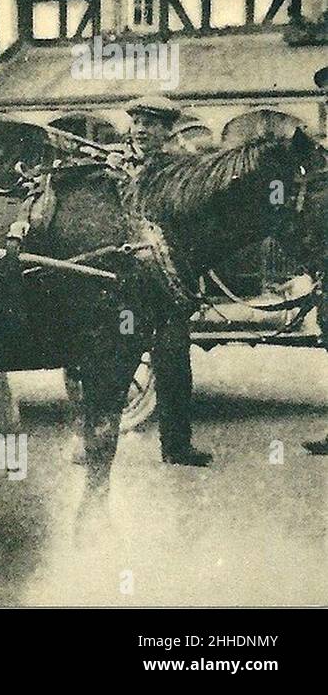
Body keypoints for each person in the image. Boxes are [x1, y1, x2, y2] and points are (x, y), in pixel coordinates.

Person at [128, 93, 212, 467]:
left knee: (173, 361)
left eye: (150, 124)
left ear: (166, 130)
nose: (141, 130)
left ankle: (177, 445)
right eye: (137, 122)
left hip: (165, 280)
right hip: (129, 279)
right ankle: (90, 440)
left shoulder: (179, 167)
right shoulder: (132, 164)